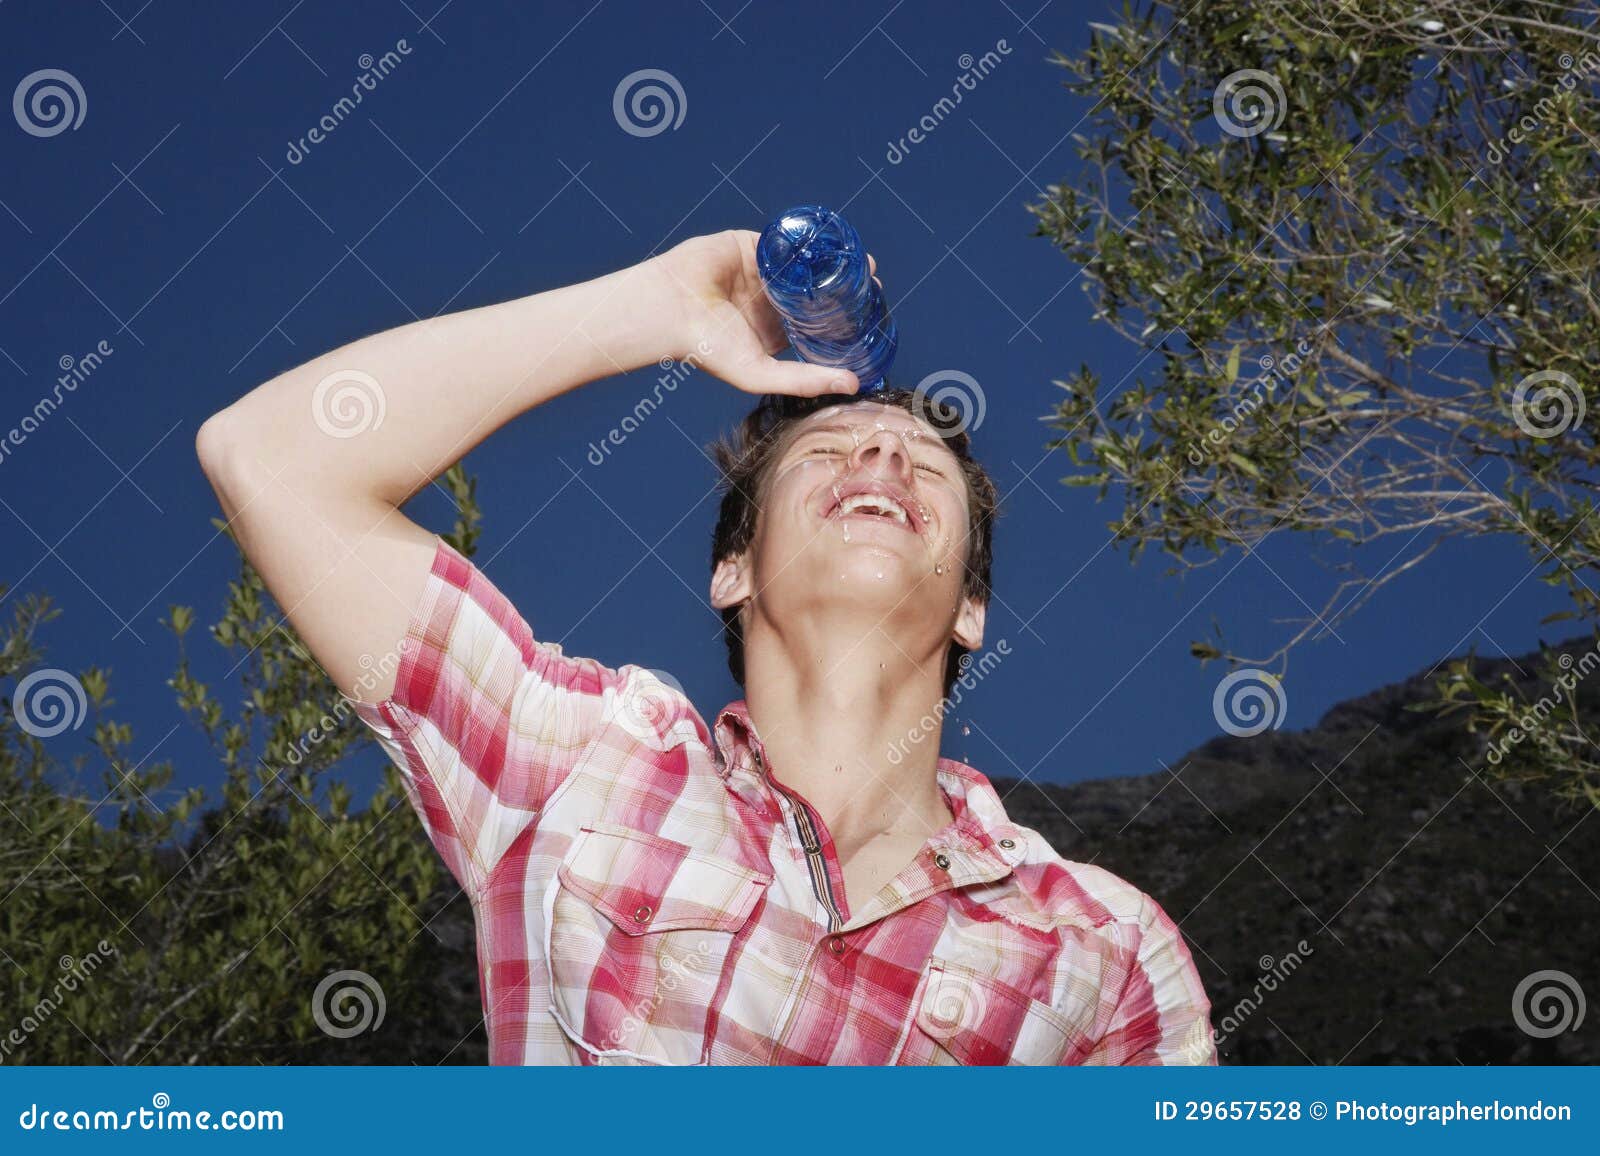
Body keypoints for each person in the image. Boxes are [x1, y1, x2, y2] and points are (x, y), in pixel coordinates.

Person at [196, 229, 1218, 1065]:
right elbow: (271, 459)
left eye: (925, 467)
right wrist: (658, 308)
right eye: (830, 449)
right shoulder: (583, 763)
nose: (878, 452)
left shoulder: (1107, 949)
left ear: (971, 611)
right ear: (733, 568)